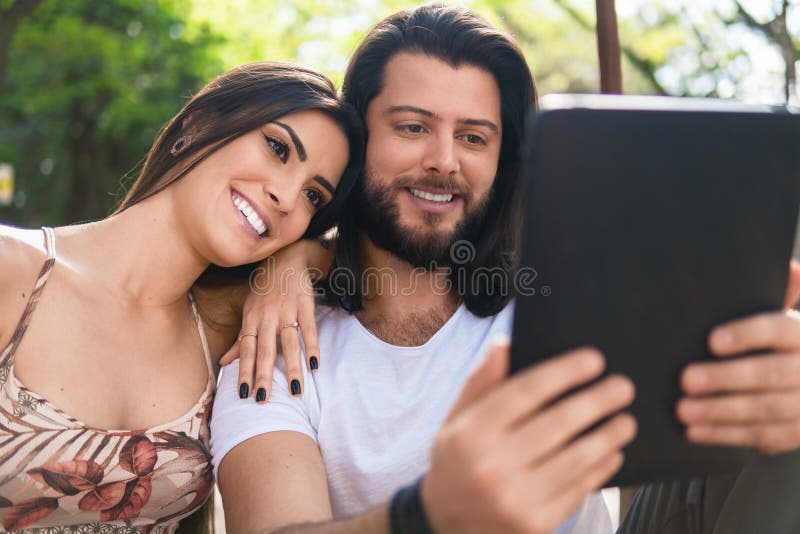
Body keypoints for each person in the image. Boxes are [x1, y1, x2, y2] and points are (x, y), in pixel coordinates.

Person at [212, 5, 800, 534]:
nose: (444, 161)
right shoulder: (279, 339)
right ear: (358, 138)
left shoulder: (560, 298)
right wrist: (430, 516)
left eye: (473, 137)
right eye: (412, 126)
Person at [0, 61, 363, 533]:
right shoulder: (16, 271)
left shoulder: (229, 336)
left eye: (314, 197)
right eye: (277, 148)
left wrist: (296, 261)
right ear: (200, 124)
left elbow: (388, 263)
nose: (288, 198)